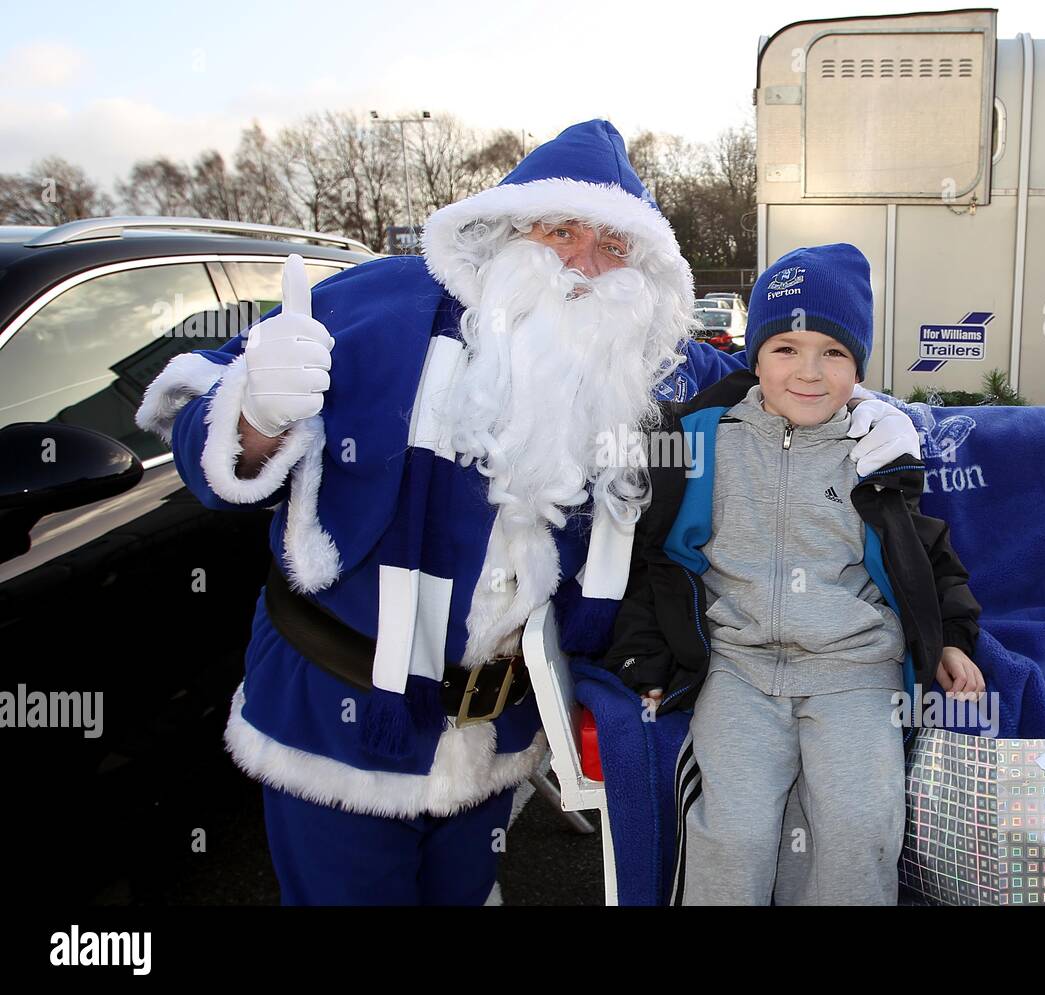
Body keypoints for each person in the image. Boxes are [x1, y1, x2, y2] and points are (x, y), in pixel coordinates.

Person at [134, 122, 903, 905]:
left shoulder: (653, 366)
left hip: (493, 734)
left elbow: (787, 375)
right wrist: (257, 413)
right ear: (507, 232)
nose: (583, 261)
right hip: (338, 720)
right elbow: (203, 442)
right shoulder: (378, 301)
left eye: (612, 243)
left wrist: (879, 413)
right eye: (560, 230)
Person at [602, 243, 986, 905]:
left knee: (860, 824)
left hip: (854, 669)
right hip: (739, 666)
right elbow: (657, 554)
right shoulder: (702, 440)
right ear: (755, 357)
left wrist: (952, 635)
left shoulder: (875, 447)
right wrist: (646, 655)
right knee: (735, 832)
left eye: (833, 353)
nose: (808, 372)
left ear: (857, 365)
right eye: (785, 348)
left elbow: (927, 553)